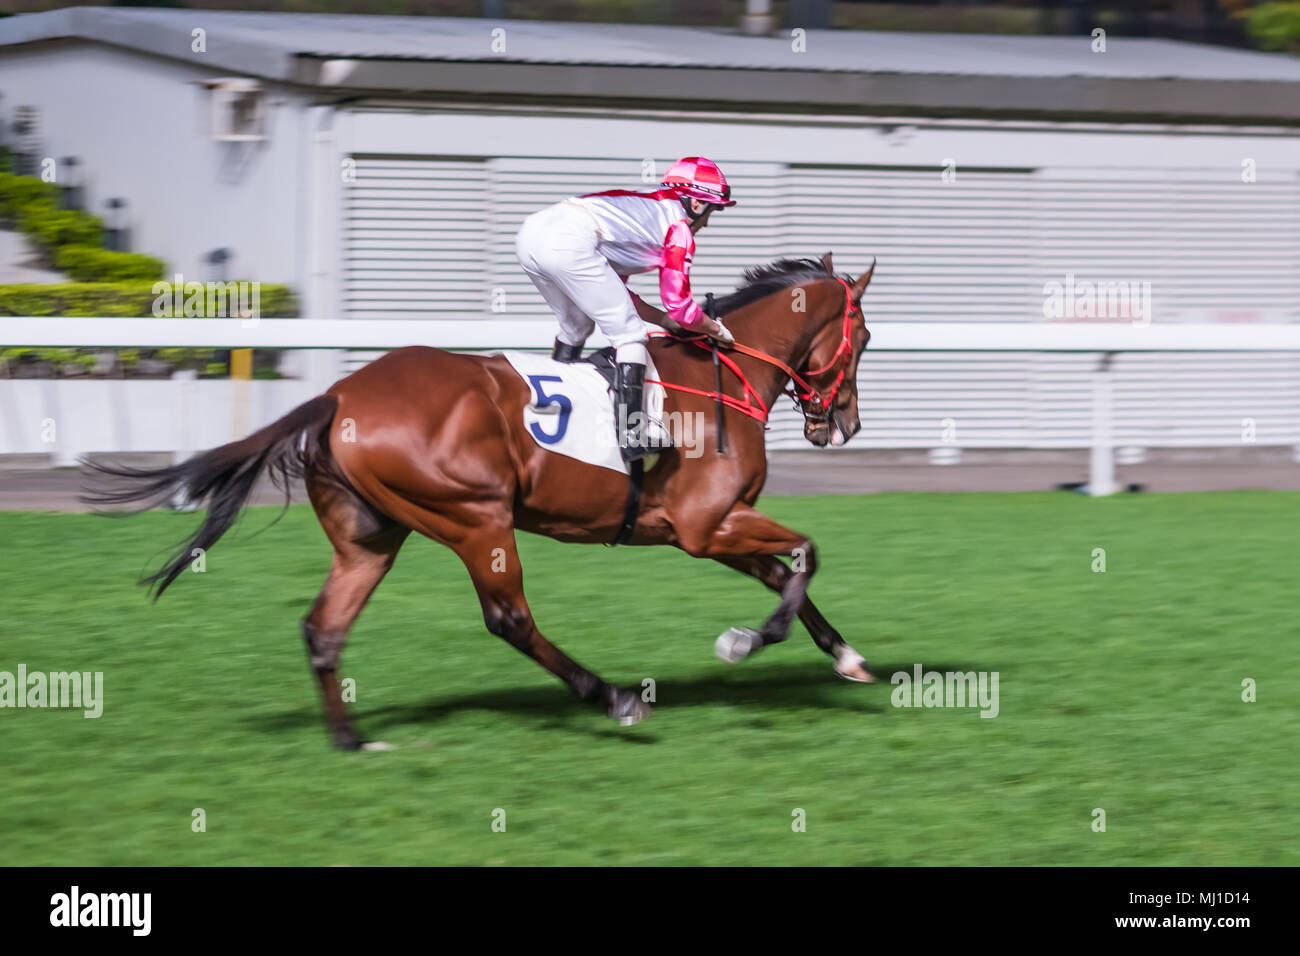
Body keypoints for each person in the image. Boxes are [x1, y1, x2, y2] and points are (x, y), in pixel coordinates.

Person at [515, 157, 736, 462]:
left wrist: (663, 321)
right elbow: (681, 306)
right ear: (697, 204)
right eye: (712, 211)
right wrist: (715, 328)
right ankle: (632, 431)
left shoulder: (645, 210)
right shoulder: (679, 228)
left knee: (577, 326)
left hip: (531, 234)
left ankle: (555, 411)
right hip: (570, 241)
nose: (708, 222)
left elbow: (619, 295)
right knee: (631, 334)